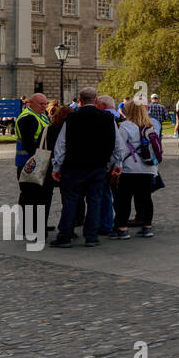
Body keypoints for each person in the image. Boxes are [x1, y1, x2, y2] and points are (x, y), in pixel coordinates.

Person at [50, 87, 121, 247]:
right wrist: (117, 164)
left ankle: (65, 236)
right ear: (96, 101)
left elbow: (61, 145)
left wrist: (57, 166)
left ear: (80, 101)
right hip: (98, 166)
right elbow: (117, 145)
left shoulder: (72, 118)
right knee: (94, 201)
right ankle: (91, 236)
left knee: (70, 201)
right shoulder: (108, 118)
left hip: (74, 166)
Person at [111, 100, 161, 239]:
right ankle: (147, 226)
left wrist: (116, 165)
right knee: (145, 198)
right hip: (148, 168)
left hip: (129, 167)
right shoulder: (151, 125)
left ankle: (122, 228)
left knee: (124, 199)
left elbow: (119, 148)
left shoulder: (126, 126)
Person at [14, 93, 53, 228]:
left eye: (45, 103)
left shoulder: (41, 115)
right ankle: (28, 226)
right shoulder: (28, 118)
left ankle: (39, 224)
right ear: (30, 103)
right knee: (29, 196)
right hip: (28, 163)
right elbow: (29, 144)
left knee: (41, 196)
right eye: (41, 104)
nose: (44, 106)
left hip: (38, 161)